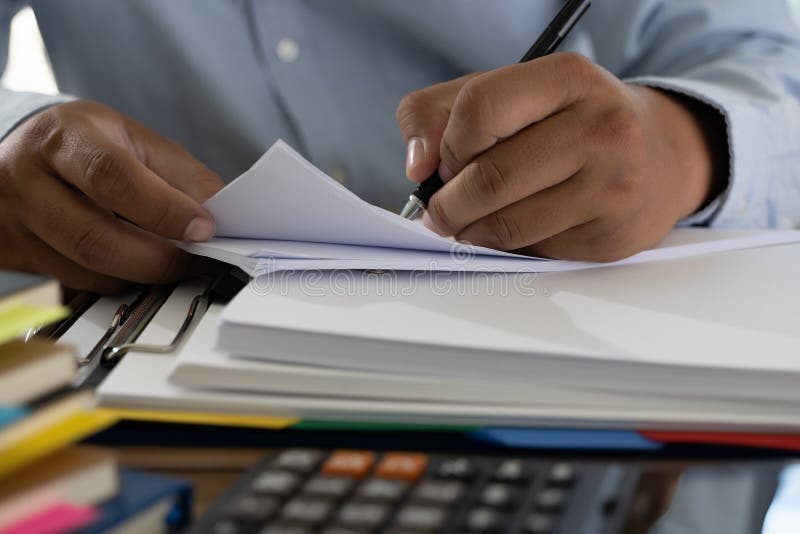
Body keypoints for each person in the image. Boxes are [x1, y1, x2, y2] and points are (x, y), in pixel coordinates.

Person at [0, 1, 798, 293]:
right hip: (159, 343)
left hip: (590, 339)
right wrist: (14, 145)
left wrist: (683, 142)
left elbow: (770, 61)